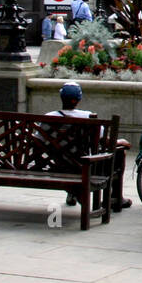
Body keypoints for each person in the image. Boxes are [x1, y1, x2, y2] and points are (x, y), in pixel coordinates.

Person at [48, 82, 130, 211]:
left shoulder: (49, 117)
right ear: (79, 100)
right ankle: (115, 197)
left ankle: (72, 192)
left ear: (61, 97)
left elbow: (37, 141)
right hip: (85, 167)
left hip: (58, 166)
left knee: (68, 157)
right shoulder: (88, 117)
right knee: (120, 152)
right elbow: (106, 142)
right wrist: (122, 142)